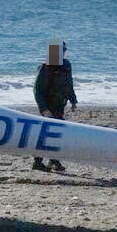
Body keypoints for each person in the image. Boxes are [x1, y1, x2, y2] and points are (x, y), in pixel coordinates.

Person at [32, 39, 77, 172]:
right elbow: (37, 89)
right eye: (59, 50)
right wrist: (43, 109)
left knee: (57, 133)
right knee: (47, 133)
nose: (62, 53)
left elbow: (69, 84)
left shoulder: (66, 65)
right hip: (48, 106)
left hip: (59, 105)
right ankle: (38, 161)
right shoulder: (45, 67)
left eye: (64, 50)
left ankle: (53, 160)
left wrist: (73, 100)